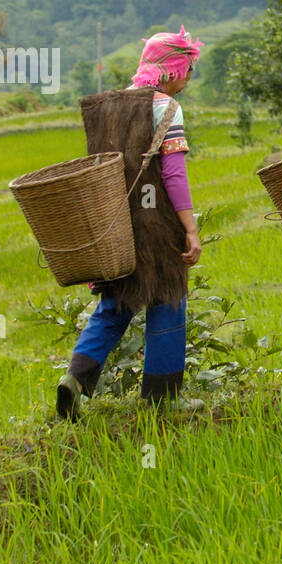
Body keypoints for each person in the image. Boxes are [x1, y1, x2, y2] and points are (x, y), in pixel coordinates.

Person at [56, 26, 204, 419]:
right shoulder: (165, 108)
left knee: (118, 300)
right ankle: (162, 396)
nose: (189, 78)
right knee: (168, 297)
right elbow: (173, 175)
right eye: (188, 69)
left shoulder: (110, 105)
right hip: (155, 223)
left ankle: (75, 378)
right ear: (173, 69)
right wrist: (189, 227)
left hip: (112, 220)